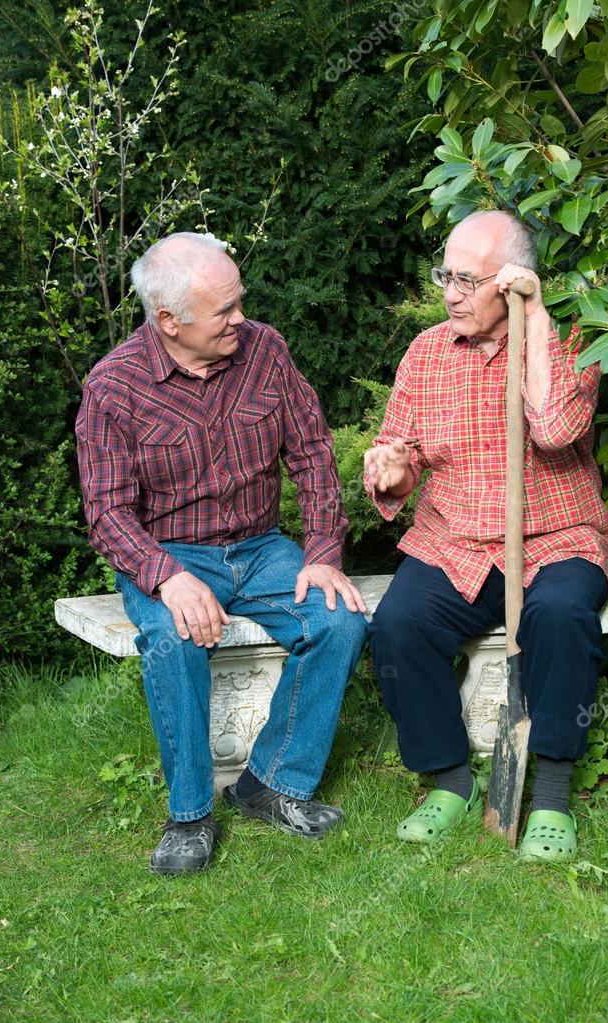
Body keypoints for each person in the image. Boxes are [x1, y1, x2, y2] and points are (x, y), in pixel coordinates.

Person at [76, 232, 367, 874]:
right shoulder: (113, 387)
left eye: (240, 302)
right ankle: (190, 816)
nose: (242, 319)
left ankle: (270, 784)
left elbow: (313, 453)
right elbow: (107, 512)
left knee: (339, 620)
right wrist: (166, 578)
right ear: (169, 321)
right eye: (224, 310)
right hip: (171, 552)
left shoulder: (265, 350)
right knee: (174, 640)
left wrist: (320, 550)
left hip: (263, 547)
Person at [364, 210, 608, 862]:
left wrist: (533, 320)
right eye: (445, 275)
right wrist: (391, 470)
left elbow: (556, 429)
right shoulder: (424, 352)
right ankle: (449, 779)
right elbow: (400, 451)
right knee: (397, 624)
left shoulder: (573, 342)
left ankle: (551, 795)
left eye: (468, 280)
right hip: (455, 539)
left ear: (513, 282)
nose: (450, 292)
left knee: (560, 613)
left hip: (554, 536)